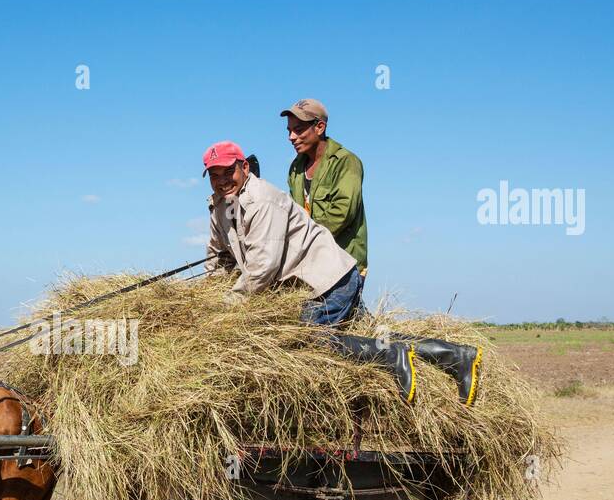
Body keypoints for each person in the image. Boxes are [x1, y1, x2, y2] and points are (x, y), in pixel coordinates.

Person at [201, 140, 480, 404]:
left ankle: (393, 357)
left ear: (244, 168)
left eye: (228, 171)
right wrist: (207, 295)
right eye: (214, 174)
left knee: (305, 340)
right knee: (371, 336)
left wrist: (228, 306)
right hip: (316, 284)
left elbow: (263, 267)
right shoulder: (220, 204)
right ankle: (455, 356)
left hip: (328, 281)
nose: (222, 179)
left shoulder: (262, 201)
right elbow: (217, 254)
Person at [281, 98, 368, 275]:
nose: (291, 137)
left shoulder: (346, 162)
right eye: (289, 131)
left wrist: (302, 240)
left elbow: (342, 213)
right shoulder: (296, 168)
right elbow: (293, 212)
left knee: (328, 304)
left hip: (343, 264)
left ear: (320, 127)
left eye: (298, 130)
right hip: (309, 265)